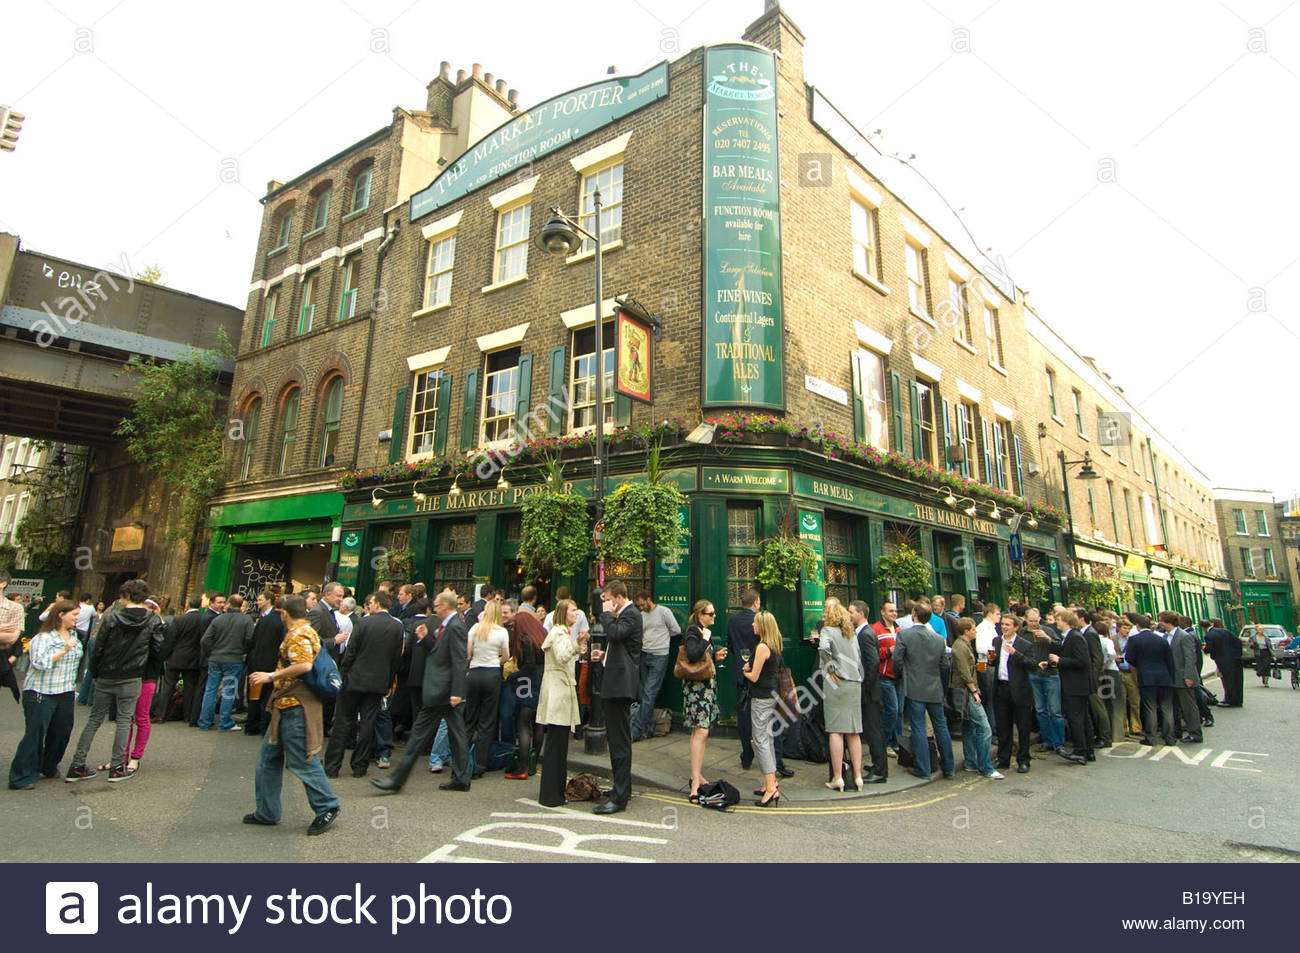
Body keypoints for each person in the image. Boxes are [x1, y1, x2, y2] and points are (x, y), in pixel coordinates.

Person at [242, 595, 340, 835]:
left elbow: (305, 665)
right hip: (285, 704)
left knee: (302, 759)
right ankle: (267, 811)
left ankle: (326, 805)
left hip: (296, 705)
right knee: (267, 760)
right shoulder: (304, 631)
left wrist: (270, 676)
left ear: (284, 613)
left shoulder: (298, 634)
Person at [372, 591, 472, 794]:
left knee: (418, 737)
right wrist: (425, 639)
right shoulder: (448, 626)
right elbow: (441, 653)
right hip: (444, 692)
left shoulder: (456, 627)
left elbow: (459, 660)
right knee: (458, 736)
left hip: (442, 693)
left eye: (436, 604)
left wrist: (457, 692)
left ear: (445, 605)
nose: (434, 608)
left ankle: (397, 780)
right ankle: (462, 778)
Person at [65, 579, 164, 782]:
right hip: (133, 676)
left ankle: (77, 765)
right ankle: (118, 767)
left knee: (94, 720)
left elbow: (98, 648)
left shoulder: (112, 618)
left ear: (126, 596)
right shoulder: (152, 621)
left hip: (107, 675)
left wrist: (94, 673)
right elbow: (158, 650)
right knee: (125, 720)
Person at [322, 590, 404, 778]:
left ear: (377, 604)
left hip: (354, 679)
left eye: (371, 602)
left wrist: (343, 674)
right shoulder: (396, 627)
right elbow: (395, 659)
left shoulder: (363, 623)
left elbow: (351, 652)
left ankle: (332, 766)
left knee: (343, 721)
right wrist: (389, 683)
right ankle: (359, 766)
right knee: (368, 723)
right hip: (378, 682)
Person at [8, 598, 83, 789]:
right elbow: (39, 663)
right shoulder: (43, 638)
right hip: (41, 692)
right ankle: (21, 777)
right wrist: (63, 651)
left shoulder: (74, 636)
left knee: (61, 732)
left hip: (65, 691)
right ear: (61, 615)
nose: (77, 618)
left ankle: (48, 766)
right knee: (35, 733)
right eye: (74, 614)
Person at [593, 580, 642, 814]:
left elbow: (614, 632)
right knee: (616, 739)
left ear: (618, 597)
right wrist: (604, 655)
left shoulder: (630, 614)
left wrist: (605, 615)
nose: (605, 604)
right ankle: (621, 789)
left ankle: (620, 797)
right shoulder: (625, 614)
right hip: (615, 682)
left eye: (607, 599)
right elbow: (618, 643)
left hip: (620, 686)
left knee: (619, 741)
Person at [893, 602, 955, 780]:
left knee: (918, 727)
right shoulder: (937, 639)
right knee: (941, 727)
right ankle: (949, 768)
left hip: (914, 688)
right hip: (934, 688)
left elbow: (897, 661)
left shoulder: (904, 635)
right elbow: (944, 664)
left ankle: (923, 769)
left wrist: (903, 674)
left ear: (914, 614)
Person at [537, 599, 587, 806]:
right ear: (564, 613)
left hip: (560, 689)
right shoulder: (558, 633)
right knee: (556, 746)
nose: (577, 613)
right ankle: (550, 795)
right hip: (558, 691)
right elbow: (562, 656)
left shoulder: (564, 632)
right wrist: (578, 644)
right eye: (573, 610)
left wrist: (578, 643)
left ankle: (556, 793)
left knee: (559, 746)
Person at [680, 599, 728, 801]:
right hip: (697, 690)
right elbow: (691, 654)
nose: (714, 616)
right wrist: (706, 639)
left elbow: (699, 658)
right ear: (700, 615)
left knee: (698, 732)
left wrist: (715, 657)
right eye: (710, 613)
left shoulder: (700, 632)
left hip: (705, 689)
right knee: (701, 731)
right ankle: (695, 783)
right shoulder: (694, 630)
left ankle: (697, 775)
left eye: (714, 613)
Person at [818, 599, 864, 791]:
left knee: (836, 730)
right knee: (853, 731)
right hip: (854, 683)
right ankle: (858, 776)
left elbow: (822, 648)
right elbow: (859, 657)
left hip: (836, 684)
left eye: (826, 614)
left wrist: (831, 668)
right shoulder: (851, 634)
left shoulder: (827, 631)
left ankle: (838, 777)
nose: (824, 617)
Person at [951, 617, 1002, 779]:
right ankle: (985, 767)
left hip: (967, 690)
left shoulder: (965, 645)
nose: (976, 631)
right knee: (984, 728)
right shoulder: (960, 647)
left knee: (969, 727)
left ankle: (971, 762)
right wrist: (974, 691)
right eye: (973, 628)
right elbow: (964, 672)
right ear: (966, 631)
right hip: (966, 692)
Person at [743, 610, 784, 807]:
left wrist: (745, 671)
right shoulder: (775, 645)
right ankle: (771, 780)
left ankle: (770, 787)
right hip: (772, 695)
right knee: (767, 738)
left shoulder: (762, 647)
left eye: (755, 623)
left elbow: (754, 677)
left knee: (759, 740)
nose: (753, 625)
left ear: (763, 626)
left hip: (761, 698)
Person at [463, 599, 508, 778]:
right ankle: (479, 765)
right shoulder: (502, 632)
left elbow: (468, 653)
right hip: (491, 674)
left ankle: (462, 761)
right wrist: (496, 661)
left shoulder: (475, 629)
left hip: (474, 674)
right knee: (486, 722)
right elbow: (506, 656)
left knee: (469, 720)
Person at [504, 596, 547, 779]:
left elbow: (527, 667)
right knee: (538, 724)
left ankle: (522, 767)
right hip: (541, 682)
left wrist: (512, 677)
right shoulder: (540, 636)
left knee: (523, 724)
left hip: (527, 684)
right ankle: (533, 763)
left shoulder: (526, 640)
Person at [198, 594, 254, 731]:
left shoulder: (218, 619)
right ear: (241, 606)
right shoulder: (246, 620)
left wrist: (210, 652)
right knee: (228, 691)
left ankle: (205, 721)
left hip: (215, 659)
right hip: (234, 659)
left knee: (210, 690)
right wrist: (243, 650)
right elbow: (250, 639)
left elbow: (205, 640)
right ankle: (224, 722)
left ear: (229, 603)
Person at [632, 591, 680, 742]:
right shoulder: (641, 615)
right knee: (644, 695)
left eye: (642, 604)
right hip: (644, 654)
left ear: (649, 599)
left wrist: (662, 640)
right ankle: (647, 729)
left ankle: (635, 730)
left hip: (659, 656)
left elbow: (676, 630)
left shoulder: (664, 612)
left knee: (649, 693)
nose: (641, 607)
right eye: (638, 605)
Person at [993, 614, 1036, 774]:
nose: (1004, 627)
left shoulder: (1024, 644)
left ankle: (1023, 760)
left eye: (1008, 625)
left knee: (1023, 728)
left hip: (1019, 690)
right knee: (1003, 727)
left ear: (1016, 627)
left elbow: (1033, 665)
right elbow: (993, 663)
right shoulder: (997, 641)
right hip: (1001, 688)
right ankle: (1003, 759)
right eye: (1003, 624)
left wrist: (1015, 654)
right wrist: (989, 662)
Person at [1124, 612, 1176, 746]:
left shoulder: (1134, 640)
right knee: (1167, 708)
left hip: (1146, 678)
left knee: (1150, 708)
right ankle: (1169, 737)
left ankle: (1151, 737)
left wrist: (1140, 665)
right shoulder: (1162, 639)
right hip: (1164, 677)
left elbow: (1129, 658)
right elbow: (1169, 660)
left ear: (1138, 626)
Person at [1051, 609, 1095, 765]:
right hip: (1077, 684)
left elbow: (1082, 661)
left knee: (1076, 718)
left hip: (1076, 685)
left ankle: (1080, 751)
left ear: (1066, 621)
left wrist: (1059, 660)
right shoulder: (1071, 637)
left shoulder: (1075, 637)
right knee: (1083, 718)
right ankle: (1088, 750)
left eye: (1059, 620)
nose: (1056, 622)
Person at [850, 600, 886, 783]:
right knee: (871, 730)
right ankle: (876, 764)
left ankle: (879, 770)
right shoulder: (863, 632)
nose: (850, 615)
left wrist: (864, 686)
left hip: (870, 692)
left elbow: (872, 663)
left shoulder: (865, 634)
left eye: (852, 612)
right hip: (869, 690)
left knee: (874, 731)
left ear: (861, 614)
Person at [727, 588, 761, 770]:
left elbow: (730, 644)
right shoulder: (759, 619)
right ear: (756, 602)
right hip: (759, 673)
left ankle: (747, 755)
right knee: (762, 713)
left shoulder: (732, 620)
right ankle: (769, 756)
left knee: (743, 714)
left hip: (740, 672)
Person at [159, 596, 205, 726]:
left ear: (188, 605)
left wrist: (166, 655)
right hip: (193, 658)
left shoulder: (179, 619)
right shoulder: (203, 620)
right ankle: (187, 715)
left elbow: (171, 639)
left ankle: (161, 714)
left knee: (168, 686)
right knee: (190, 687)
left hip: (176, 657)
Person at [245, 591, 285, 735]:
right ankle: (264, 727)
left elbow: (253, 640)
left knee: (255, 696)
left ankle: (251, 726)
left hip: (257, 661)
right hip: (271, 664)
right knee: (267, 697)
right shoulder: (281, 622)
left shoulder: (263, 620)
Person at [1027, 609, 1066, 753]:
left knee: (1055, 710)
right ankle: (1047, 741)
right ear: (1026, 620)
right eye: (1031, 621)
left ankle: (1060, 744)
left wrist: (1047, 638)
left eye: (1036, 621)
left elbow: (1061, 646)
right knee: (1040, 710)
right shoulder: (1022, 634)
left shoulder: (1047, 630)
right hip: (1033, 674)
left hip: (1051, 674)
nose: (1034, 624)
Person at [1164, 612, 1202, 743]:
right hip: (1172, 678)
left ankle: (1195, 733)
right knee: (1174, 707)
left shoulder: (1184, 636)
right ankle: (1177, 731)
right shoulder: (1166, 636)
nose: (1160, 623)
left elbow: (1190, 658)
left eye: (1161, 621)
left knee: (1188, 707)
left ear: (1168, 622)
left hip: (1184, 677)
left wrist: (1189, 676)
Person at [873, 602, 902, 751]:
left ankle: (896, 742)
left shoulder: (898, 629)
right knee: (892, 710)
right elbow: (872, 654)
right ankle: (884, 743)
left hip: (898, 675)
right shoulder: (876, 630)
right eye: (891, 611)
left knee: (899, 712)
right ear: (882, 612)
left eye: (896, 611)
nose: (894, 614)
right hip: (885, 676)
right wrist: (889, 651)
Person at [1097, 613, 1126, 746]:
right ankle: (1117, 734)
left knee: (1105, 702)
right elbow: (1111, 654)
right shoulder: (1107, 641)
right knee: (1116, 703)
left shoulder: (1095, 640)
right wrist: (1106, 663)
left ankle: (1107, 732)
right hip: (1111, 671)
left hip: (1101, 673)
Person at [1203, 618, 1243, 707]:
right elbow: (1237, 641)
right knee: (1236, 680)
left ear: (1203, 628)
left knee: (1228, 680)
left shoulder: (1209, 635)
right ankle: (1237, 700)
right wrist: (1238, 654)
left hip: (1223, 661)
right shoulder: (1225, 631)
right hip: (1234, 659)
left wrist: (1204, 649)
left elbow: (1208, 649)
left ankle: (1230, 700)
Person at [1115, 615, 1141, 736]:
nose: (1127, 631)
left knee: (1135, 701)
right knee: (1121, 701)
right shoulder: (1113, 639)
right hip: (1119, 671)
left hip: (1131, 672)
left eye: (1128, 628)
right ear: (1119, 628)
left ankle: (1136, 726)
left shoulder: (1133, 640)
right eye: (1124, 628)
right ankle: (1124, 727)